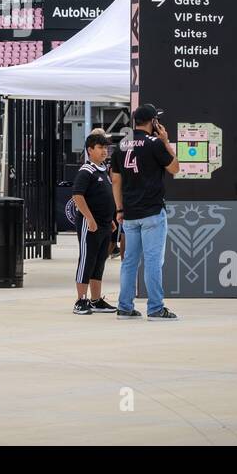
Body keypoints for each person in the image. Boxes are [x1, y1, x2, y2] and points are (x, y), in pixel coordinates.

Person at [111, 104, 180, 320]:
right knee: (152, 261)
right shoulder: (155, 144)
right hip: (152, 212)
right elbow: (175, 168)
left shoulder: (121, 145)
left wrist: (119, 208)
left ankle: (124, 306)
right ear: (153, 122)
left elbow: (115, 180)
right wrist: (166, 142)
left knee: (129, 261)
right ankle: (156, 308)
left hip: (129, 213)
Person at [71, 132, 118, 314]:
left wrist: (111, 220)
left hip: (105, 225)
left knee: (99, 261)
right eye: (100, 148)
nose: (104, 151)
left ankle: (96, 300)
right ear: (90, 150)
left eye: (106, 148)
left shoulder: (103, 170)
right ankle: (80, 301)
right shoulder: (86, 171)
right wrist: (89, 218)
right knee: (87, 260)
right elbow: (77, 196)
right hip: (90, 224)